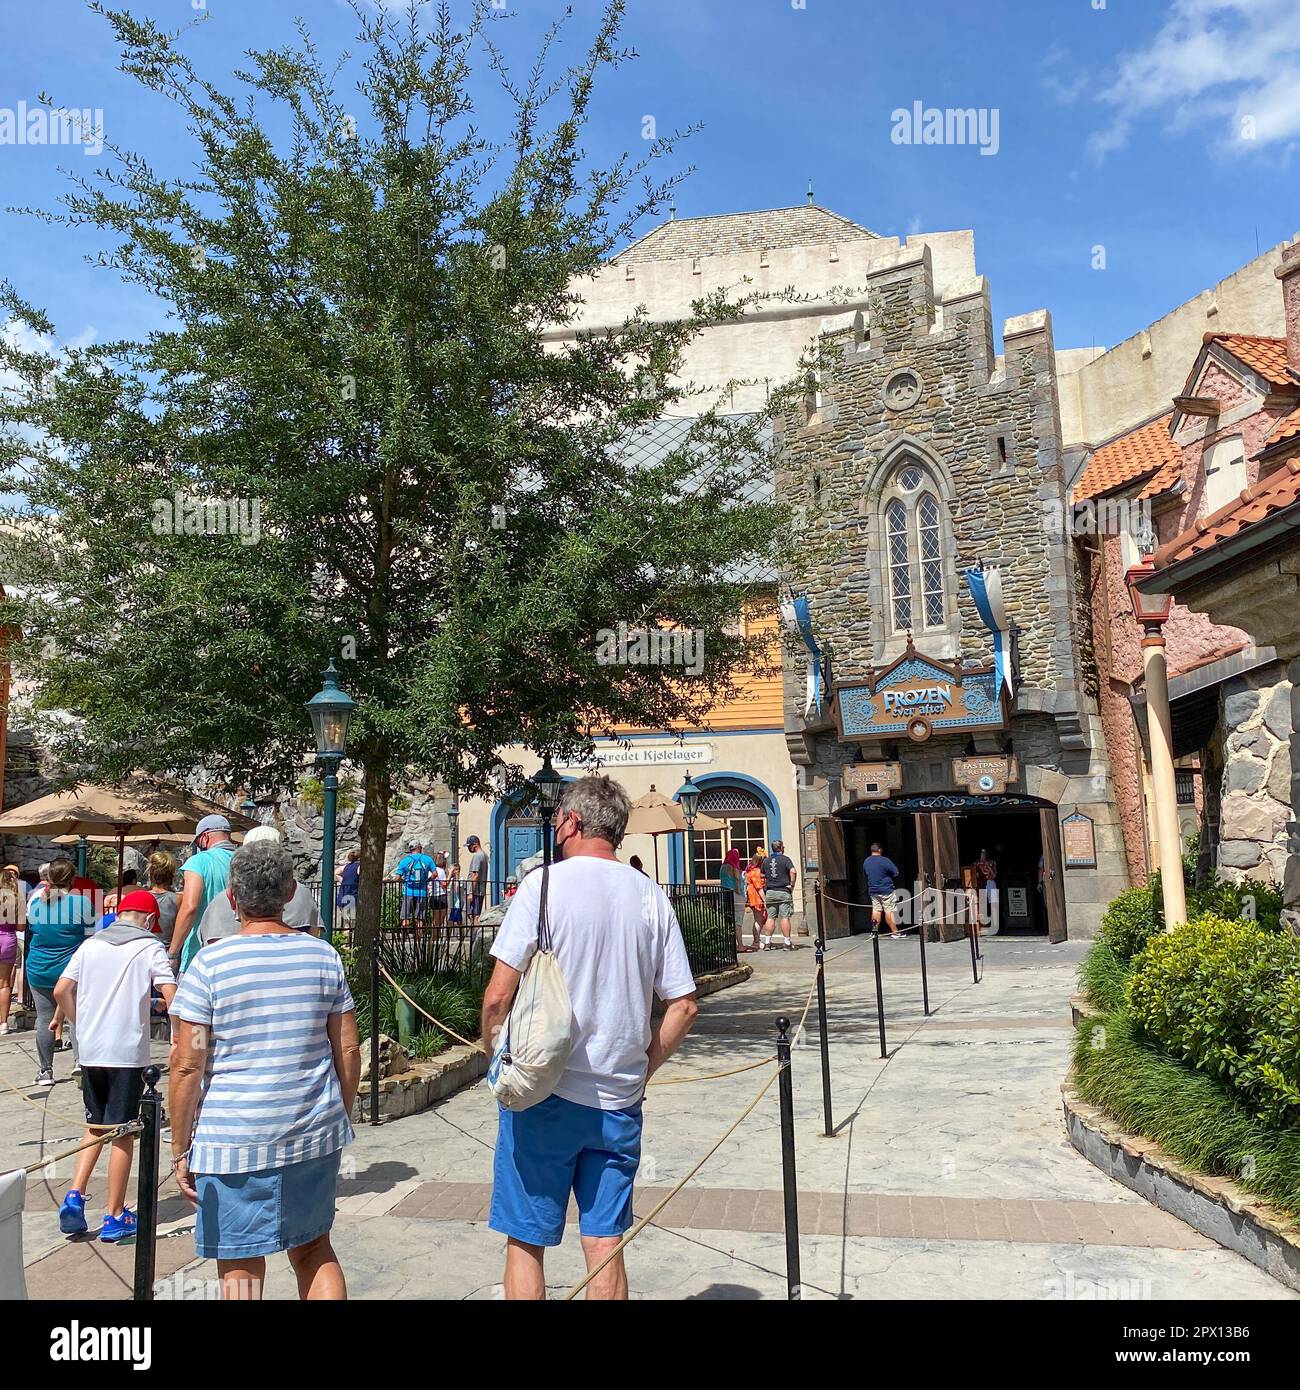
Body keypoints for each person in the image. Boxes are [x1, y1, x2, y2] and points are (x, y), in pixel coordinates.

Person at [482, 775, 697, 1301]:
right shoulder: (650, 895)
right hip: (618, 1098)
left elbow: (496, 995)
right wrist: (645, 1066)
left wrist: (496, 1056)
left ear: (572, 822)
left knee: (526, 1240)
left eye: (558, 820)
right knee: (604, 1241)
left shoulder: (543, 885)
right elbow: (683, 1004)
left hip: (545, 1093)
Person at [168, 841, 361, 1301]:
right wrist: (341, 1115)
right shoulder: (322, 957)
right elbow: (348, 1048)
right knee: (314, 1249)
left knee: (238, 1262)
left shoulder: (208, 966)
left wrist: (180, 1148)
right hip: (311, 1132)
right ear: (291, 892)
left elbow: (188, 1061)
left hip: (231, 1140)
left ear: (231, 898)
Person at [53, 891, 177, 1242]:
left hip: (91, 1050)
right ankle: (115, 1214)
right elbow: (171, 992)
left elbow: (62, 990)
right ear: (151, 920)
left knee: (95, 1124)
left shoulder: (91, 945)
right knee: (124, 1132)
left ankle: (75, 1193)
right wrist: (179, 1037)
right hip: (125, 1053)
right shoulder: (149, 947)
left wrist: (81, 1024)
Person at [24, 858, 96, 1087]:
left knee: (44, 1019)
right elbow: (91, 937)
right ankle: (79, 1062)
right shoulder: (82, 903)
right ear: (72, 878)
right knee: (76, 1017)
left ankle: (45, 1070)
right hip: (70, 969)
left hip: (39, 967)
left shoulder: (36, 903)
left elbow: (32, 932)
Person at [198, 825, 321, 942]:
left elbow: (210, 939)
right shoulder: (303, 893)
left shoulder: (220, 901)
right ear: (291, 892)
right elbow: (314, 931)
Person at [169, 814, 237, 974]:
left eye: (198, 841)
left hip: (200, 952)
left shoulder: (198, 861)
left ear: (205, 836)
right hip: (236, 952)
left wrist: (173, 953)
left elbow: (190, 907)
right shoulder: (244, 861)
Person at [760, 840, 798, 951]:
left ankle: (767, 943)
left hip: (770, 891)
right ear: (781, 848)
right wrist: (792, 884)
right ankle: (786, 943)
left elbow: (761, 874)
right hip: (783, 890)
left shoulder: (766, 860)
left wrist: (769, 879)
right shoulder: (785, 859)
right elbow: (793, 871)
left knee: (771, 917)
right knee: (785, 917)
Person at [0, 864, 21, 1034]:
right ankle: (3, 1023)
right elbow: (21, 927)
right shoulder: (17, 899)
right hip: (8, 938)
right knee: (5, 984)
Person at [864, 842, 901, 938]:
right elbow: (896, 872)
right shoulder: (884, 860)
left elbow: (866, 874)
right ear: (880, 850)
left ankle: (874, 932)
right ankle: (895, 932)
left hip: (873, 890)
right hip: (886, 890)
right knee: (889, 911)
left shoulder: (866, 861)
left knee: (876, 911)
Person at [395, 840, 436, 928]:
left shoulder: (405, 861)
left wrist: (404, 881)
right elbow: (435, 874)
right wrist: (427, 880)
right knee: (420, 919)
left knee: (405, 918)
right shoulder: (427, 859)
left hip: (408, 891)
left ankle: (404, 939)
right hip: (422, 892)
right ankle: (419, 940)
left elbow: (397, 877)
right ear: (419, 848)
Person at [718, 847, 751, 953]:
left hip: (725, 894)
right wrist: (738, 889)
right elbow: (737, 878)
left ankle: (729, 944)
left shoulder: (723, 867)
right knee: (738, 922)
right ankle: (740, 945)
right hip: (736, 895)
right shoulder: (733, 867)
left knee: (728, 920)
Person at [148, 851, 181, 943]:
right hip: (168, 949)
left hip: (145, 947)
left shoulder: (140, 897)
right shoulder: (178, 899)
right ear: (171, 876)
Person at [744, 852, 767, 949]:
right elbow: (759, 888)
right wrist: (765, 900)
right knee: (758, 920)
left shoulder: (749, 870)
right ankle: (756, 941)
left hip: (752, 897)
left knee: (758, 919)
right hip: (756, 897)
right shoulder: (756, 872)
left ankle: (756, 940)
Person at [465, 836, 489, 925]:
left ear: (475, 844)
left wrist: (471, 892)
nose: (468, 848)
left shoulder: (477, 856)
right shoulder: (484, 855)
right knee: (475, 914)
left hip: (475, 891)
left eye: (469, 846)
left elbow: (475, 875)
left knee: (473, 915)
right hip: (480, 890)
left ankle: (474, 936)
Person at [974, 847, 999, 932]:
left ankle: (995, 925)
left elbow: (994, 875)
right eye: (982, 852)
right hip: (980, 884)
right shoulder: (976, 863)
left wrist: (988, 866)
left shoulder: (992, 862)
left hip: (990, 882)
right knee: (982, 904)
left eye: (984, 852)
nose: (983, 854)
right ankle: (983, 925)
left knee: (993, 904)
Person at [335, 849, 360, 929]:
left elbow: (336, 872)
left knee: (346, 923)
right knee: (353, 923)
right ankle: (353, 940)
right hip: (351, 896)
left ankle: (346, 940)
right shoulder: (359, 866)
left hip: (342, 896)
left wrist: (342, 881)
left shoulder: (346, 867)